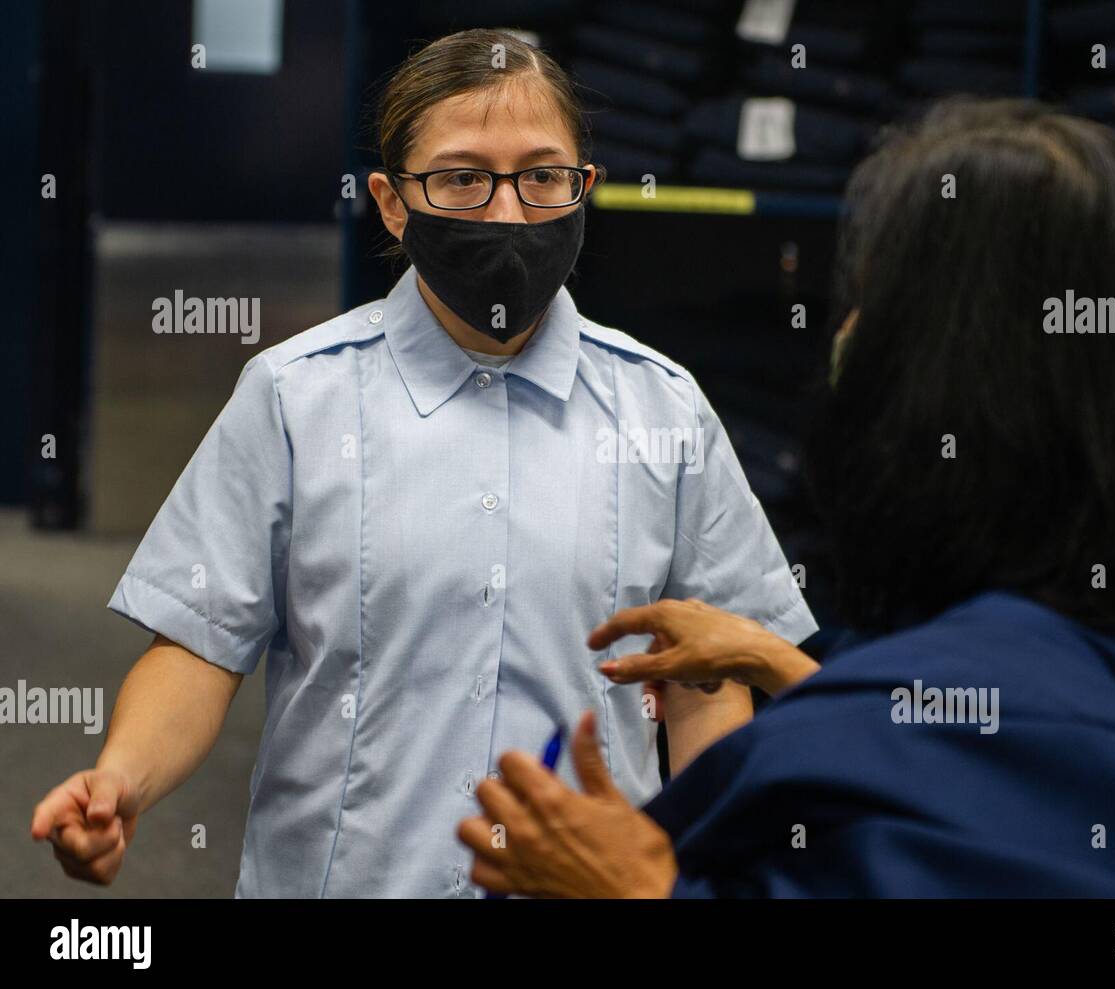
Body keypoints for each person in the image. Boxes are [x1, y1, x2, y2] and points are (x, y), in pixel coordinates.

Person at [29, 29, 815, 897]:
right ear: (394, 202)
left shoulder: (662, 409)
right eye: (463, 178)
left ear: (583, 188)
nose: (509, 212)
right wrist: (123, 779)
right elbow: (201, 644)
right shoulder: (295, 399)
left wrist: (701, 873)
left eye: (543, 176)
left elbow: (706, 682)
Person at [456, 99, 1115, 898]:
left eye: (874, 305)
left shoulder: (868, 757)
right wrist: (785, 664)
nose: (845, 333)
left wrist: (638, 888)